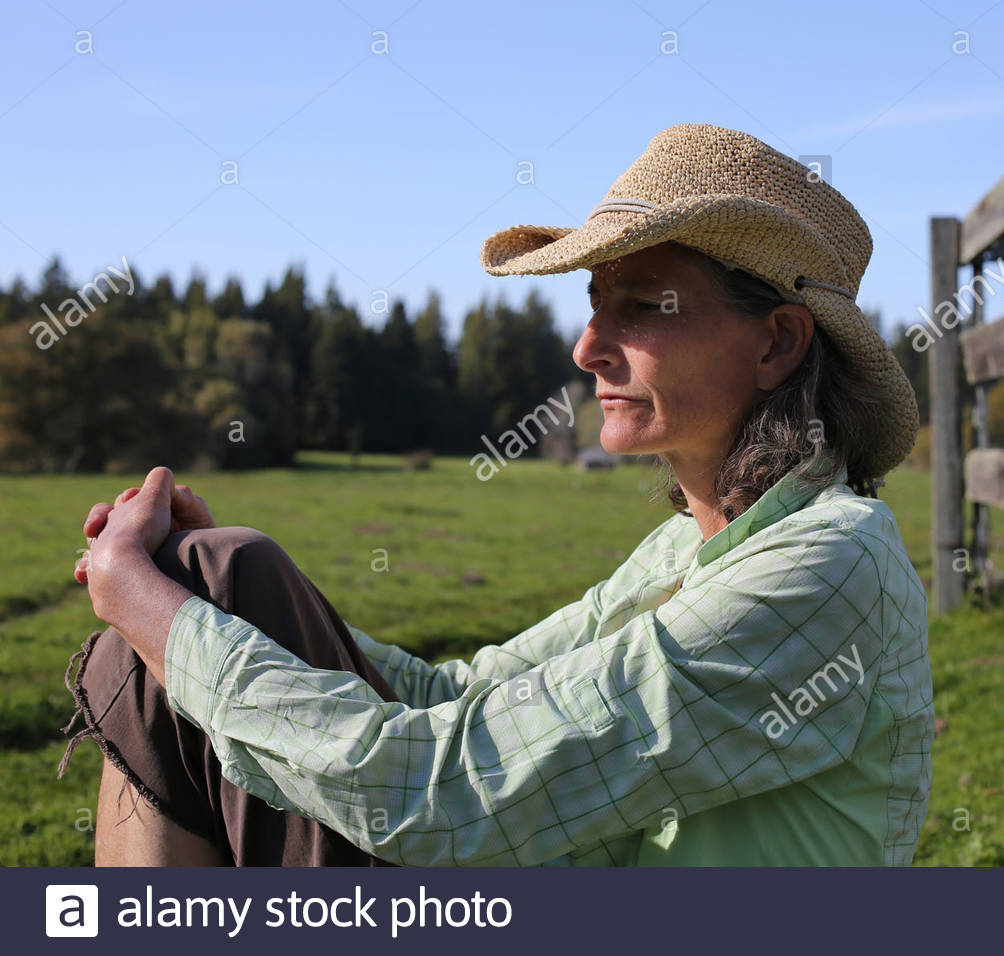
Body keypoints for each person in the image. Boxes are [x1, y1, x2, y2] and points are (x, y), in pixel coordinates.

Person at [63, 122, 934, 866]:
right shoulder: (693, 549)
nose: (588, 348)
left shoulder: (827, 565)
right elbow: (462, 696)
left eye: (643, 307)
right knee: (217, 572)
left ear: (778, 344)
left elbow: (446, 794)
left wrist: (164, 620)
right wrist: (218, 606)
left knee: (179, 615)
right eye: (595, 305)